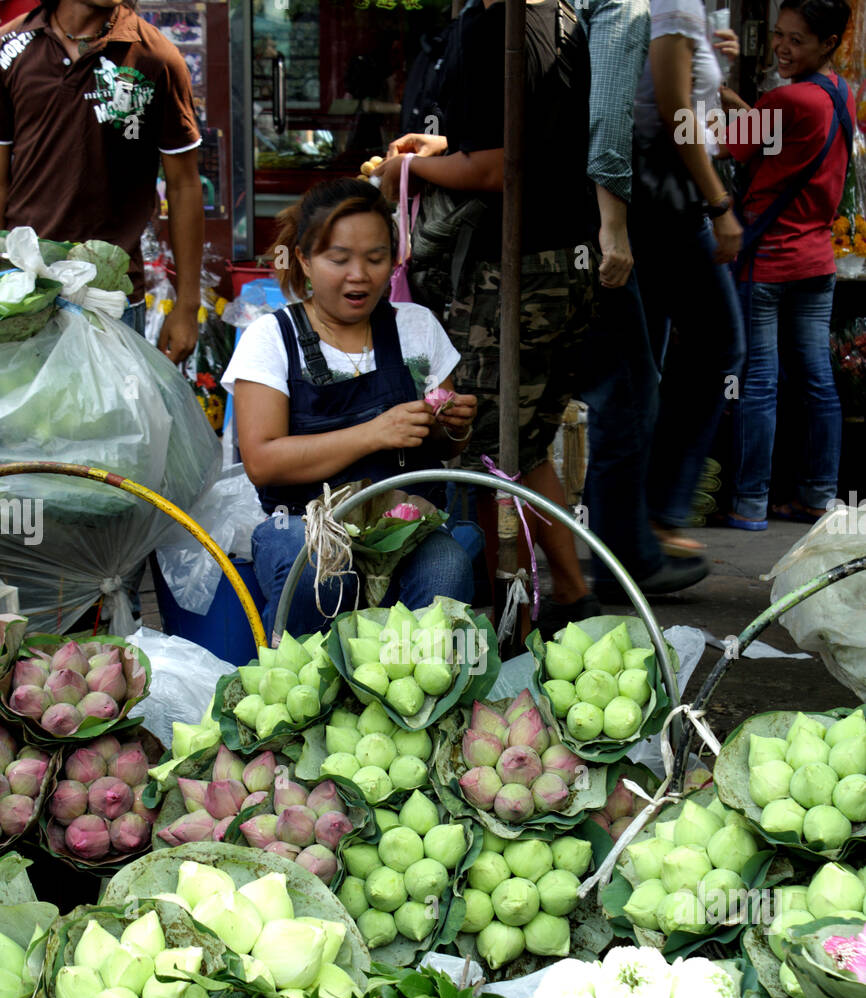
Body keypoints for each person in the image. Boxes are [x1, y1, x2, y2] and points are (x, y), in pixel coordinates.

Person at [378, 0, 602, 638]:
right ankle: (571, 593)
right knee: (524, 443)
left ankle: (516, 621)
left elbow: (501, 167)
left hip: (517, 271)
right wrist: (446, 148)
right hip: (569, 263)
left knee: (484, 447)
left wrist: (407, 167)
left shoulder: (488, 27)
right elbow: (529, 140)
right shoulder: (559, 16)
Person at [222, 178, 478, 641]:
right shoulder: (271, 339)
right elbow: (262, 461)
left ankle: (416, 701)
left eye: (376, 258)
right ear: (303, 258)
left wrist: (453, 426)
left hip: (406, 522)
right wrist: (374, 433)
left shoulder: (415, 329)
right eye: (339, 259)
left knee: (447, 571)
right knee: (320, 576)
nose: (358, 274)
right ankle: (310, 689)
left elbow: (445, 446)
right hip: (302, 523)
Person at [575, 0, 709, 602]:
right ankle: (623, 560)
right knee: (625, 393)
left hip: (555, 216)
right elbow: (608, 116)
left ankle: (617, 556)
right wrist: (612, 224)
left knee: (619, 388)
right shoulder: (622, 5)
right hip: (590, 219)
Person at [0, 0, 203, 361]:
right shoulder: (10, 48)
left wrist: (187, 305)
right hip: (22, 297)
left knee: (110, 417)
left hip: (112, 299)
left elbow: (185, 186)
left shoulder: (155, 58)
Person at [722, 0, 854, 529]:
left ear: (827, 44)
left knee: (760, 383)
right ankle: (820, 496)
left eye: (797, 40)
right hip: (818, 262)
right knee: (818, 380)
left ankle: (750, 503)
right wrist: (741, 104)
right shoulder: (841, 93)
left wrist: (718, 109)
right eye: (779, 35)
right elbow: (772, 129)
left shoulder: (784, 99)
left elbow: (732, 145)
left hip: (769, 265)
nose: (782, 46)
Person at [629, 0, 746, 557]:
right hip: (670, 200)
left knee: (651, 357)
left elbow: (686, 102)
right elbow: (674, 111)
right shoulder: (673, 5)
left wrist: (720, 86)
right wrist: (719, 201)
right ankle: (658, 512)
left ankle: (644, 518)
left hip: (662, 198)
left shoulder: (687, 9)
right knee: (720, 341)